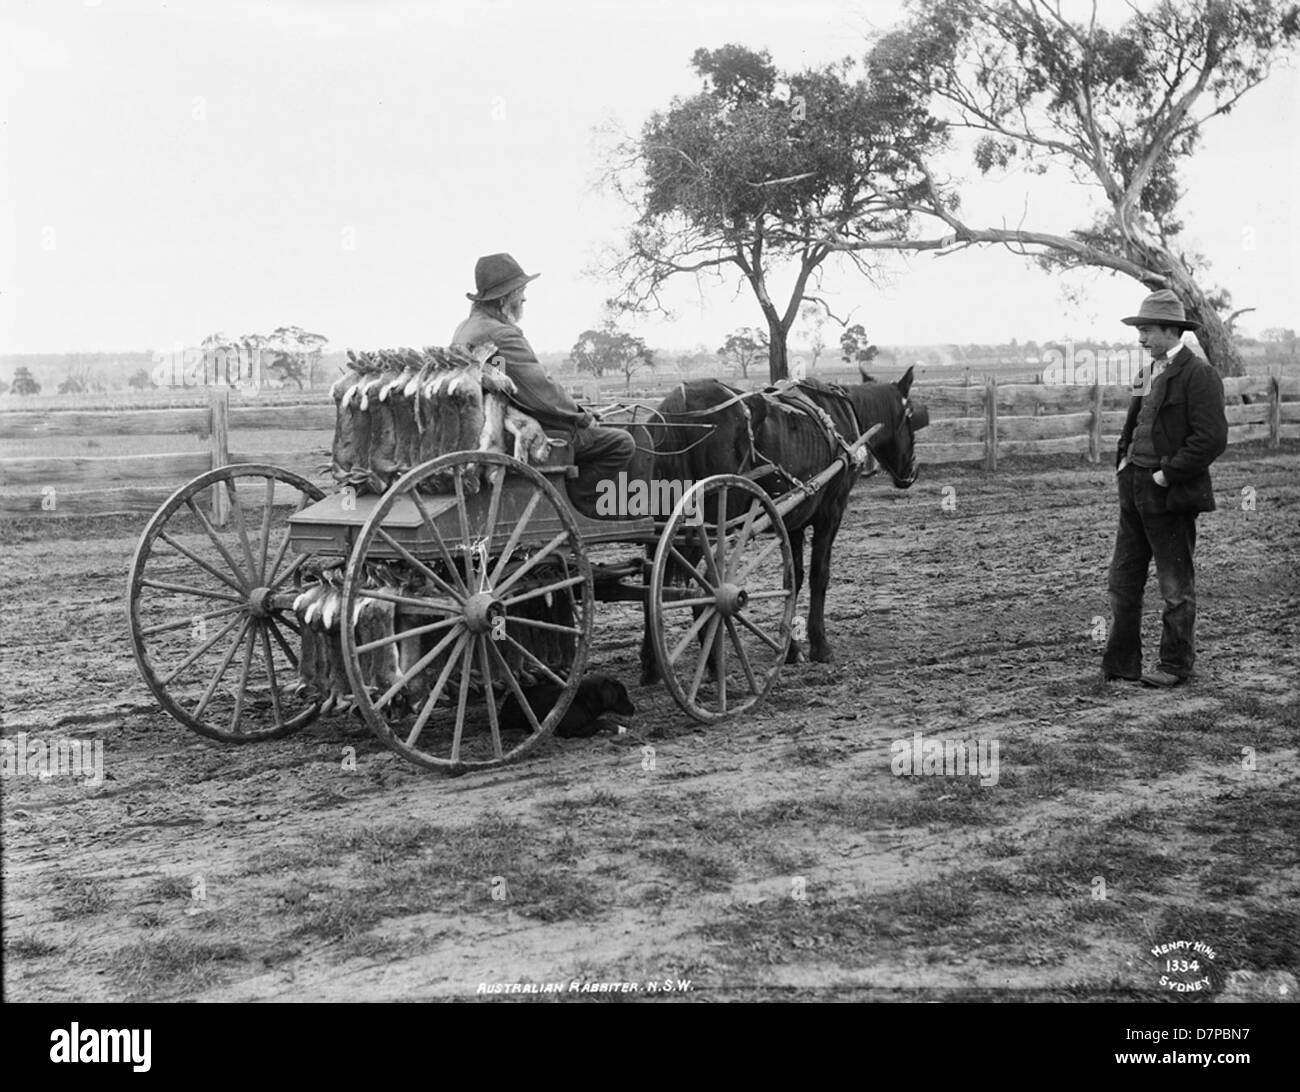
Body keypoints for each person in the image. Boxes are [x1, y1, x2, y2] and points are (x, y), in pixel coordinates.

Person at [1102, 289, 1228, 688]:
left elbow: (1210, 439)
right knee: (1122, 581)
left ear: (1172, 330)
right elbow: (1134, 427)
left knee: (1175, 586)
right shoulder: (1146, 374)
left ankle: (1175, 667)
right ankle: (1122, 664)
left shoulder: (1199, 374)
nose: (1141, 338)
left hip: (1168, 493)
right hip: (1133, 488)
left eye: (1147, 330)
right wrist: (1124, 465)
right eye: (1139, 330)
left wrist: (1167, 474)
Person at [451, 253, 635, 515]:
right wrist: (581, 417)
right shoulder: (502, 333)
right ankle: (577, 509)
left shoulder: (465, 329)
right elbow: (541, 392)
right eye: (521, 292)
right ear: (504, 298)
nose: (524, 298)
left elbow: (505, 384)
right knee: (622, 443)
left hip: (483, 422)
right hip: (523, 425)